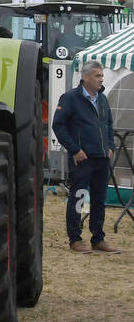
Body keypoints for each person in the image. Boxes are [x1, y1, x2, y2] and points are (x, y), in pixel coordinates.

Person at [53, 60, 122, 254]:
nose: (101, 79)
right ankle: (75, 239)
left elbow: (108, 124)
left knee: (99, 200)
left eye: (102, 75)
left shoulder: (102, 99)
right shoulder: (70, 98)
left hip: (102, 158)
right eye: (97, 75)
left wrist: (110, 146)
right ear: (85, 77)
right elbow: (58, 125)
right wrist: (75, 150)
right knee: (78, 198)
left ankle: (98, 239)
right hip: (82, 159)